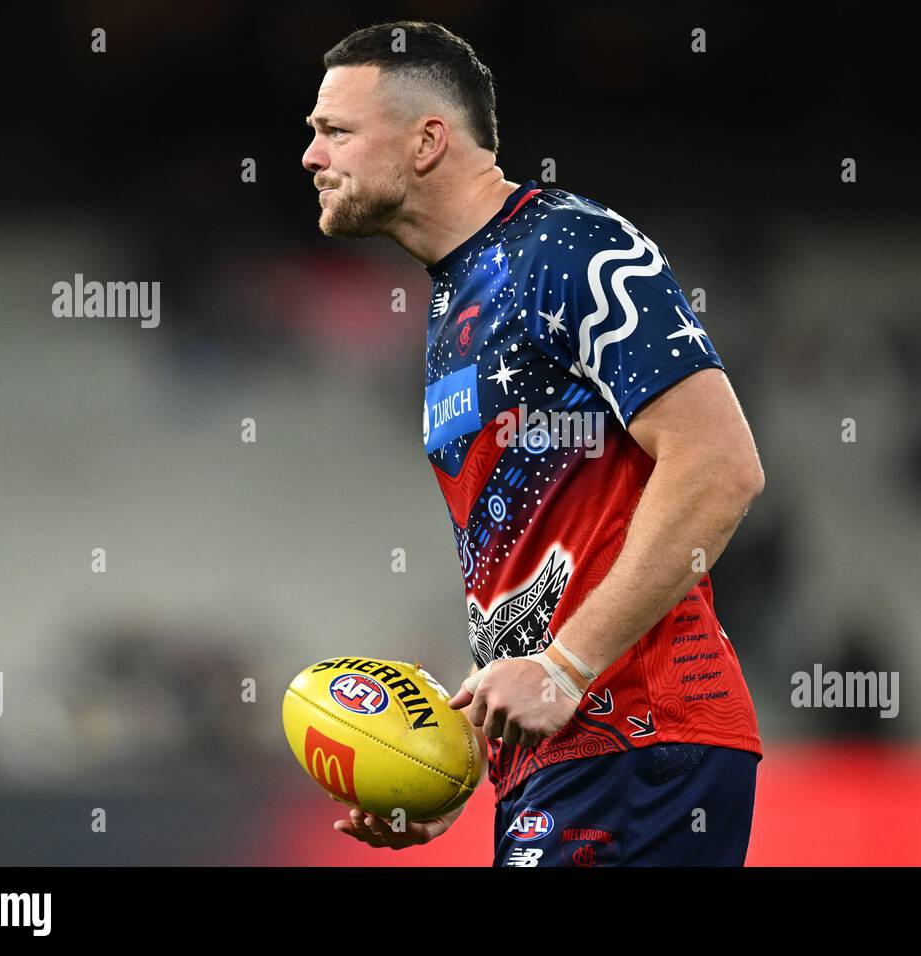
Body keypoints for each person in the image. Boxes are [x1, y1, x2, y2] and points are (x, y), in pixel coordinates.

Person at [302, 20, 765, 866]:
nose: (310, 155)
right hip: (567, 758)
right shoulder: (454, 302)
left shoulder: (569, 245)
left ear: (427, 140)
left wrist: (565, 668)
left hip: (641, 737)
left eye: (334, 130)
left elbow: (720, 464)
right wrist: (465, 760)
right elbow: (544, 551)